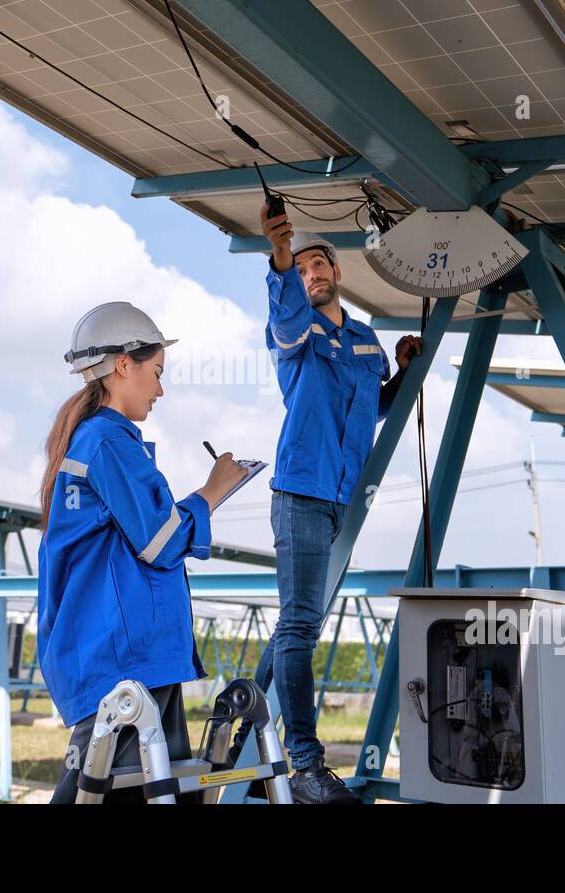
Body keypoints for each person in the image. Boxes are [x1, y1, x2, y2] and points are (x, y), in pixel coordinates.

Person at [233, 206, 422, 804]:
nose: (312, 273)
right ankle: (306, 767)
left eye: (320, 265)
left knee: (301, 620)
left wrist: (402, 373)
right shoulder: (296, 334)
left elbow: (373, 407)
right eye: (304, 268)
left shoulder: (365, 340)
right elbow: (286, 318)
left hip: (344, 498)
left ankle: (246, 736)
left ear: (338, 271)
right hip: (301, 493)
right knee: (298, 624)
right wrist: (280, 259)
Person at [38, 301, 247, 804]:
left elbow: (140, 534)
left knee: (147, 788)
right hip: (122, 660)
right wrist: (211, 491)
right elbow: (160, 541)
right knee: (102, 788)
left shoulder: (102, 441)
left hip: (137, 655)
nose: (160, 389)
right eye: (156, 373)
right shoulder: (106, 442)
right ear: (123, 365)